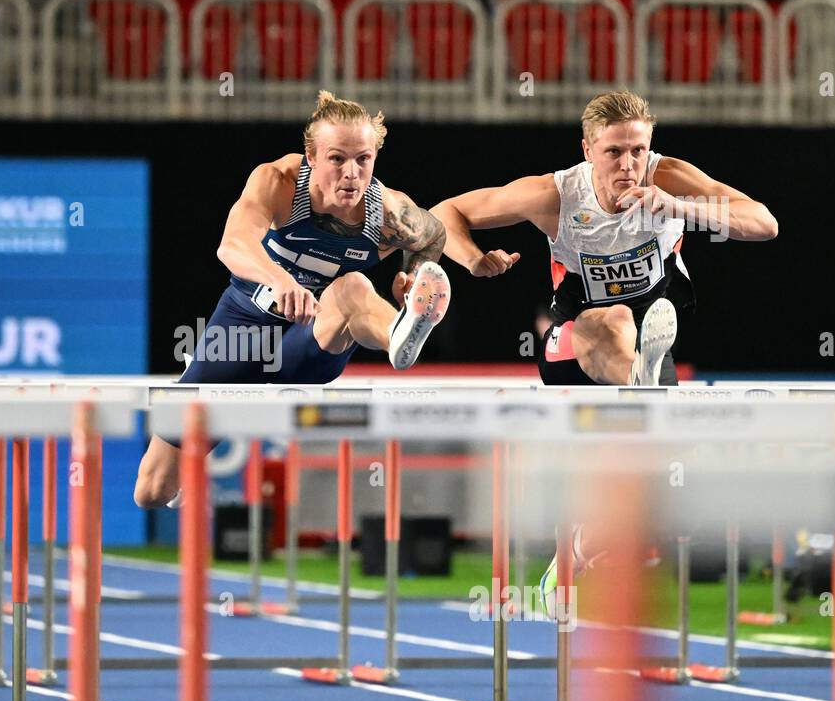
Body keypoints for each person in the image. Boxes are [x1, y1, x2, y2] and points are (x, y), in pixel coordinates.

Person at [134, 91, 505, 509]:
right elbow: (231, 245)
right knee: (151, 490)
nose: (351, 174)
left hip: (313, 337)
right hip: (240, 333)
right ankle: (188, 456)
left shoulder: (388, 212)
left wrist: (414, 273)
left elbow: (434, 234)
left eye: (363, 159)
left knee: (352, 288)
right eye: (337, 159)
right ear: (311, 155)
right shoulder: (278, 182)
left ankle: (400, 334)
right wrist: (280, 280)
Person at [432, 89, 778, 388]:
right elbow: (444, 213)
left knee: (634, 462)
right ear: (588, 151)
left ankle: (640, 376)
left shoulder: (670, 180)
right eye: (614, 152)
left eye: (638, 151)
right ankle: (638, 382)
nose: (628, 165)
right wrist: (474, 260)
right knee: (614, 318)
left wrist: (683, 208)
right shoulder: (557, 196)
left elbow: (765, 223)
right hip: (572, 347)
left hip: (646, 351)